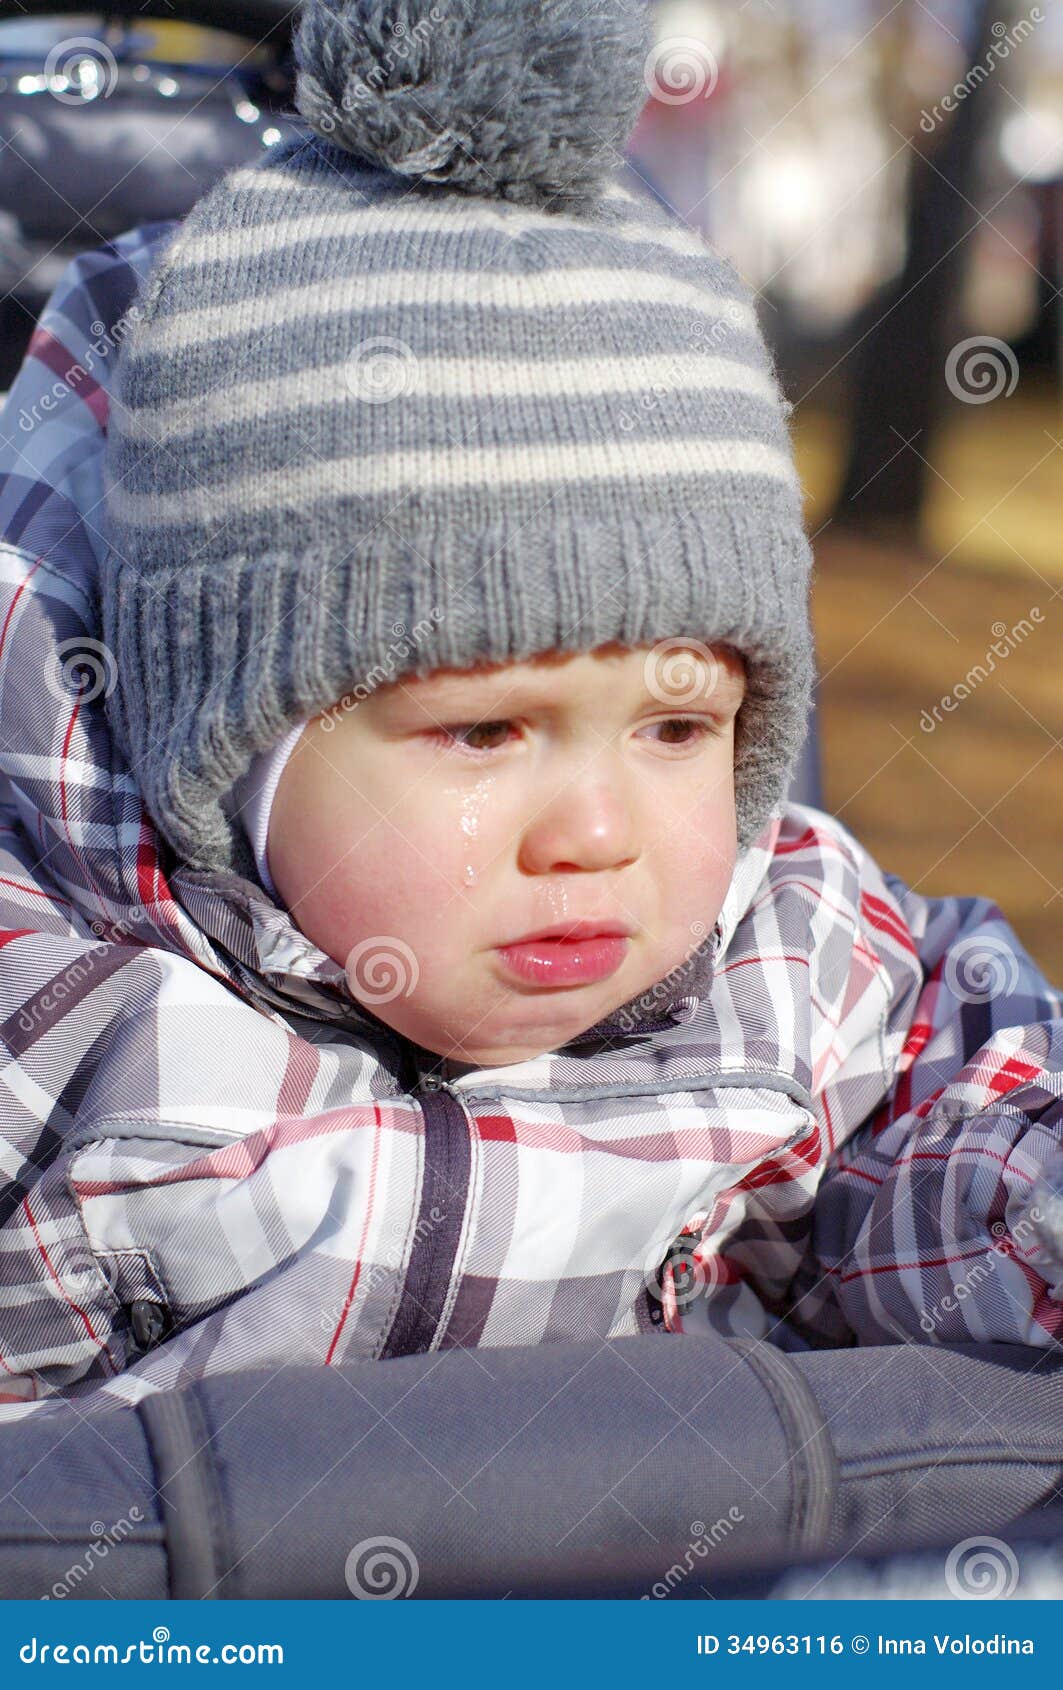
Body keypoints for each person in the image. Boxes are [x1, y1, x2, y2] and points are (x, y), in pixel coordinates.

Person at [0, 0, 1060, 1423]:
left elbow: (983, 1137)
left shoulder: (796, 971)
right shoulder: (66, 1042)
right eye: (485, 732)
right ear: (230, 753)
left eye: (679, 728)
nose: (601, 831)